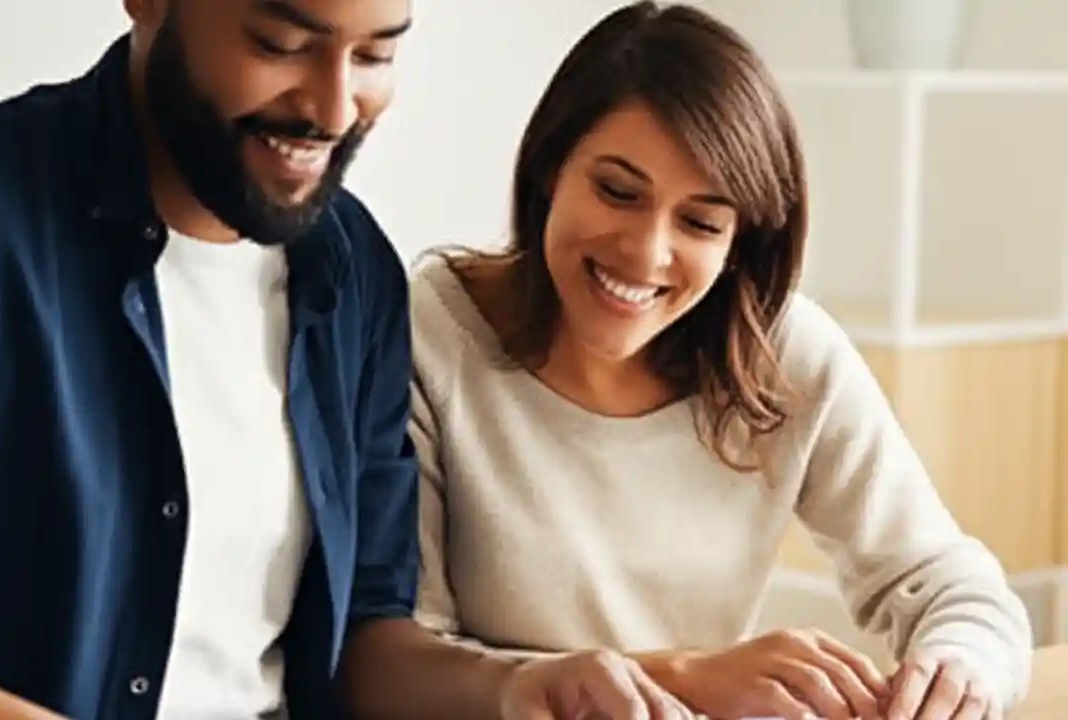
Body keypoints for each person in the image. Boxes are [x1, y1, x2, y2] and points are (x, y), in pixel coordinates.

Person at [0, 0, 696, 718]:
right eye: (281, 41)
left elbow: (365, 642)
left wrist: (515, 690)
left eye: (376, 55)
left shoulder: (354, 271)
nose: (335, 108)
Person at [409, 3, 1034, 720]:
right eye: (617, 191)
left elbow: (950, 582)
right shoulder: (432, 336)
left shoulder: (785, 355)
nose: (646, 254)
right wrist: (685, 676)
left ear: (740, 242)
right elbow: (398, 666)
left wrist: (958, 672)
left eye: (701, 222)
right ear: (551, 167)